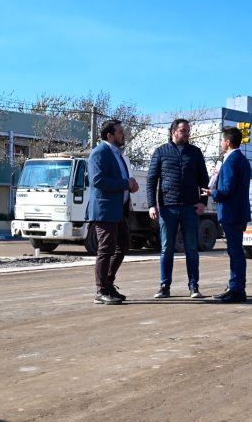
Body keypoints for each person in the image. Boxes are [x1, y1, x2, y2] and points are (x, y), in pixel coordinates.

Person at [147, 118, 210, 298]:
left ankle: (193, 287)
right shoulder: (160, 152)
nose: (187, 133)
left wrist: (203, 203)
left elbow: (203, 180)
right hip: (168, 208)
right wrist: (152, 205)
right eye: (183, 131)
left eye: (188, 130)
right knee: (166, 248)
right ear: (173, 132)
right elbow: (152, 181)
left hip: (190, 208)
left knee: (191, 247)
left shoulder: (195, 153)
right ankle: (164, 287)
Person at [87, 119, 139, 305]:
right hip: (105, 210)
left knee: (123, 246)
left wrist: (130, 184)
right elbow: (98, 181)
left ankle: (108, 284)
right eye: (119, 132)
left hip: (118, 210)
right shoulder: (99, 153)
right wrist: (125, 184)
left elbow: (121, 178)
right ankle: (101, 290)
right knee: (106, 249)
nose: (122, 134)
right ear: (109, 135)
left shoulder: (117, 154)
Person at [201, 127, 252, 303]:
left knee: (236, 252)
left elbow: (227, 189)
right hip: (239, 212)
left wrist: (211, 193)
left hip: (232, 213)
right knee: (235, 251)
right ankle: (234, 286)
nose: (221, 143)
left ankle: (237, 289)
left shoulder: (231, 161)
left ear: (228, 142)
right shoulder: (242, 160)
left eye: (222, 140)